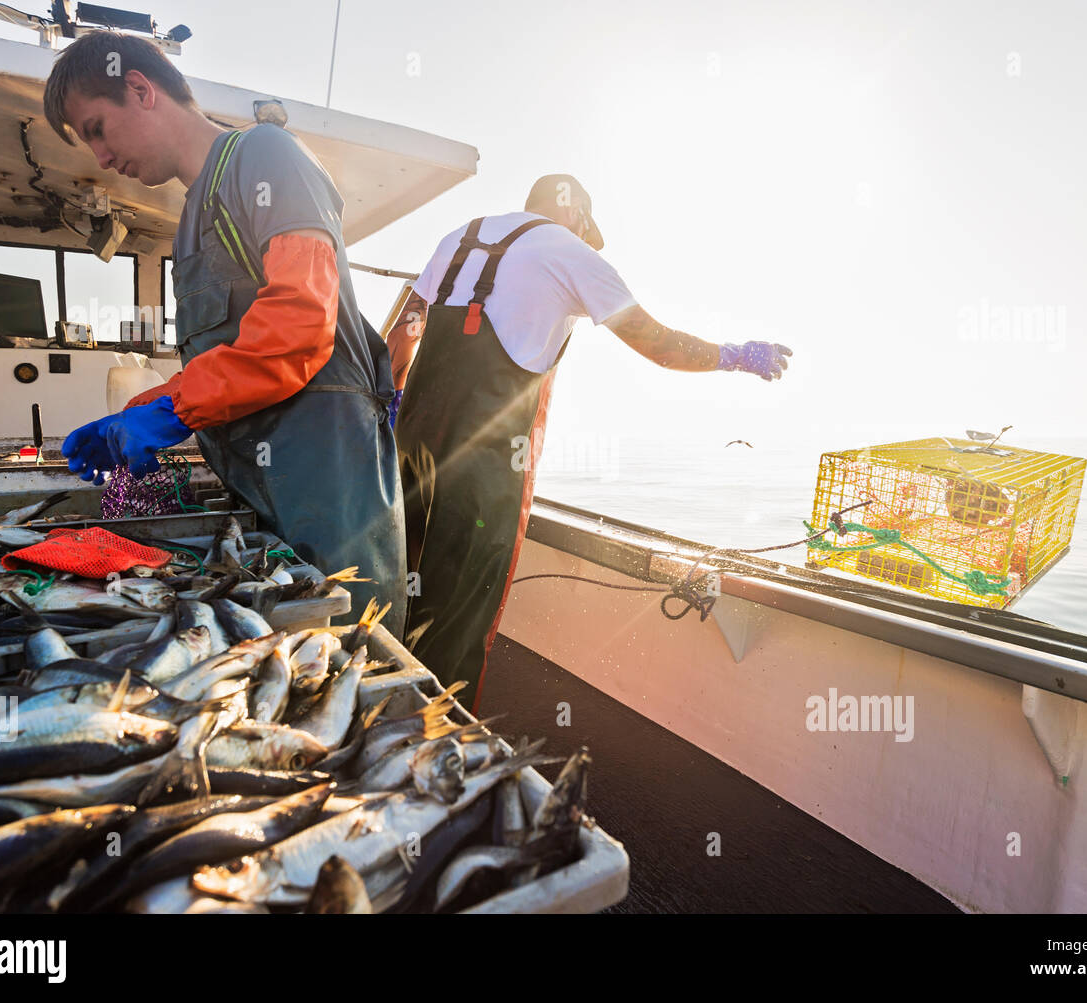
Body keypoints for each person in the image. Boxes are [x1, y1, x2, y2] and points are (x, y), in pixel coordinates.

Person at [43, 31, 406, 635]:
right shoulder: (193, 218)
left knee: (354, 651)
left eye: (98, 129)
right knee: (282, 657)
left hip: (327, 486)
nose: (101, 160)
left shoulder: (265, 156)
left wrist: (173, 412)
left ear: (140, 88)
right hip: (262, 488)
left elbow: (298, 325)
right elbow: (228, 356)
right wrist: (143, 408)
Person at [386, 174, 791, 705]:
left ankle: (373, 707)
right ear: (574, 213)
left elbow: (404, 330)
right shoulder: (570, 252)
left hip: (409, 447)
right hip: (483, 470)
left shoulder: (463, 236)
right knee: (459, 617)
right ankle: (431, 748)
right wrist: (735, 356)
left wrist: (396, 403)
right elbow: (659, 345)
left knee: (397, 590)